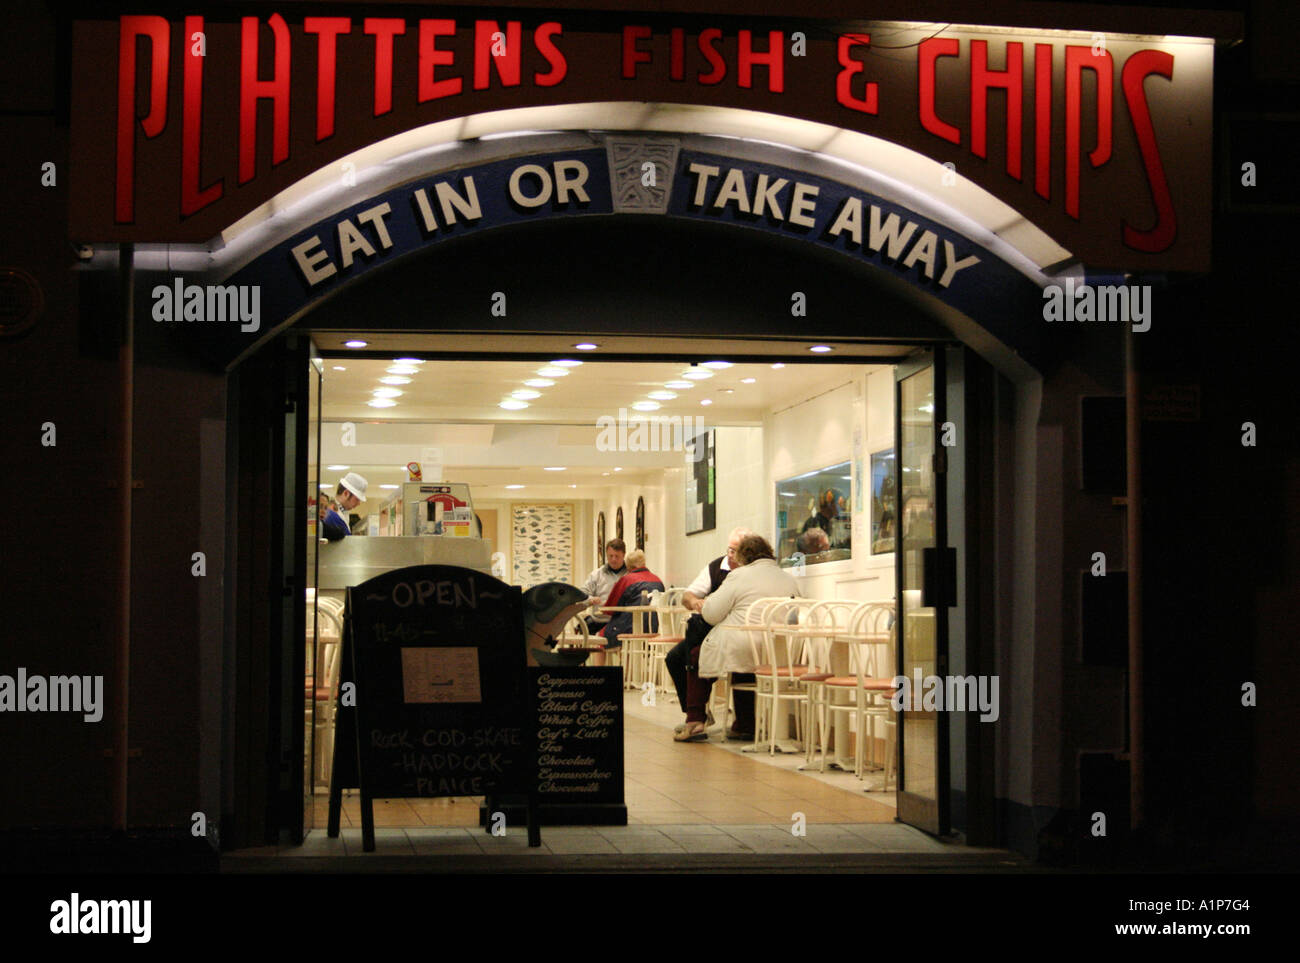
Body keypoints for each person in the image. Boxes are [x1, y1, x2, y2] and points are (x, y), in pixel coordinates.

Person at [675, 534, 799, 743]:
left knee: (697, 655)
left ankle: (695, 721)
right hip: (779, 649)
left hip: (744, 644)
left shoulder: (738, 576)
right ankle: (745, 724)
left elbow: (712, 613)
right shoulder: (787, 577)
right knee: (745, 662)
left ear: (743, 557)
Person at [665, 526, 751, 734]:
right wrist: (696, 603)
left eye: (737, 551)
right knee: (676, 657)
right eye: (730, 550)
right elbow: (687, 595)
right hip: (710, 630)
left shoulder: (750, 572)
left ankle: (698, 718)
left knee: (698, 653)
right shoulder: (715, 567)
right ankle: (696, 712)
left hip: (740, 633)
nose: (732, 556)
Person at [594, 549, 664, 666]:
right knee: (628, 641)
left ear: (628, 566)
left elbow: (611, 607)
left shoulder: (627, 579)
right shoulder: (658, 580)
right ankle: (628, 673)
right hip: (654, 626)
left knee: (601, 636)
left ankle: (599, 675)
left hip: (629, 626)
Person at [581, 538, 627, 635]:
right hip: (599, 620)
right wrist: (590, 599)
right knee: (583, 627)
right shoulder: (596, 575)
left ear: (623, 555)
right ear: (606, 555)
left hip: (622, 621)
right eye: (610, 556)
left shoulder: (630, 575)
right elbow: (582, 594)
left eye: (617, 556)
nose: (613, 559)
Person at [321, 472, 367, 541]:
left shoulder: (343, 513)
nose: (359, 503)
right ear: (346, 493)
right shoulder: (332, 515)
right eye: (357, 499)